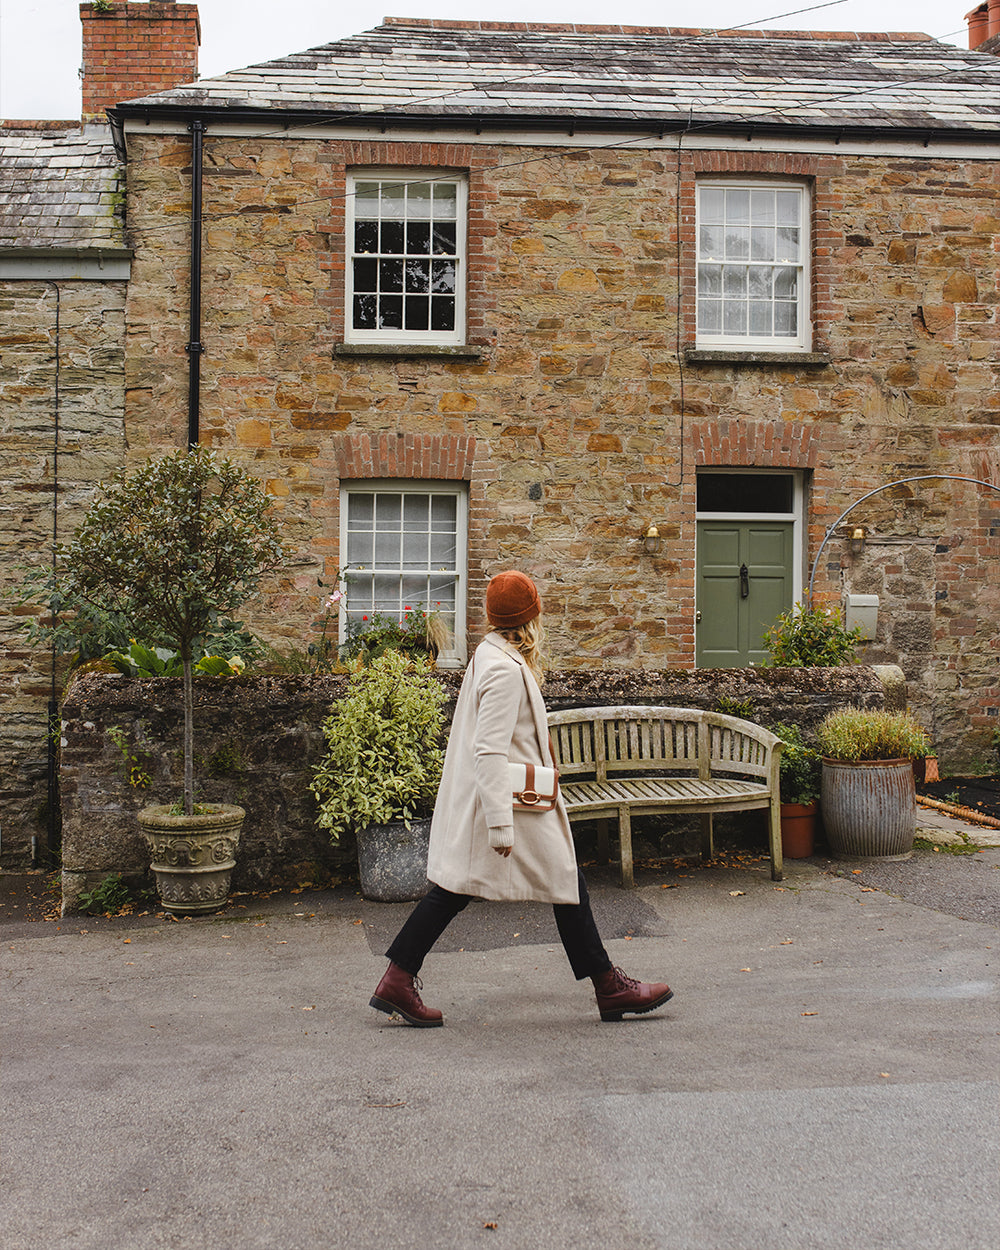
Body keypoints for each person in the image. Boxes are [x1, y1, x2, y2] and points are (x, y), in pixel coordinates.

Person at [370, 570, 673, 1027]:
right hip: (509, 804)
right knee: (547, 881)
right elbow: (489, 750)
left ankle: (398, 978)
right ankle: (608, 987)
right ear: (530, 619)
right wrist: (499, 825)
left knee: (530, 884)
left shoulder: (489, 654)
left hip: (506, 799)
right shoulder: (504, 670)